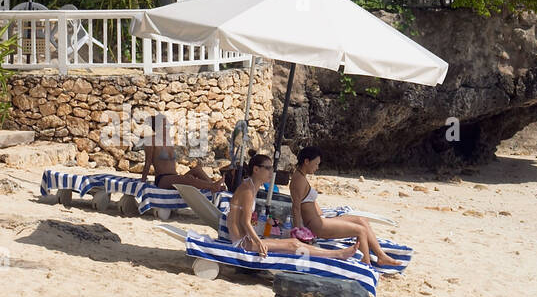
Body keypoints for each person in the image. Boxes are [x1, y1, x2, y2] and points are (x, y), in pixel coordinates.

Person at [227, 153, 358, 260]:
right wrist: (259, 242)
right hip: (242, 243)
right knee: (293, 244)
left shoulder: (250, 186)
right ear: (256, 169)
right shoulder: (248, 190)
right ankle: (337, 255)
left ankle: (335, 254)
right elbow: (245, 222)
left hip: (245, 239)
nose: (271, 172)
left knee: (289, 243)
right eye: (268, 168)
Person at [288, 146, 404, 268]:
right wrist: (297, 231)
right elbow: (296, 207)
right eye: (316, 164)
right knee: (361, 230)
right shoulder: (299, 180)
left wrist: (323, 216)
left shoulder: (301, 176)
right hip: (317, 226)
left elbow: (308, 202)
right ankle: (366, 265)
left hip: (320, 220)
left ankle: (381, 256)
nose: (317, 167)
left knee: (361, 220)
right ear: (306, 161)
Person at [139, 113, 225, 191]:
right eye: (164, 125)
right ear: (157, 127)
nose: (168, 127)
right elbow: (147, 164)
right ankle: (212, 186)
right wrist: (142, 183)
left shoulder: (169, 142)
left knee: (197, 170)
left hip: (174, 177)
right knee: (188, 179)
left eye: (168, 125)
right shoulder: (152, 141)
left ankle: (213, 186)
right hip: (163, 179)